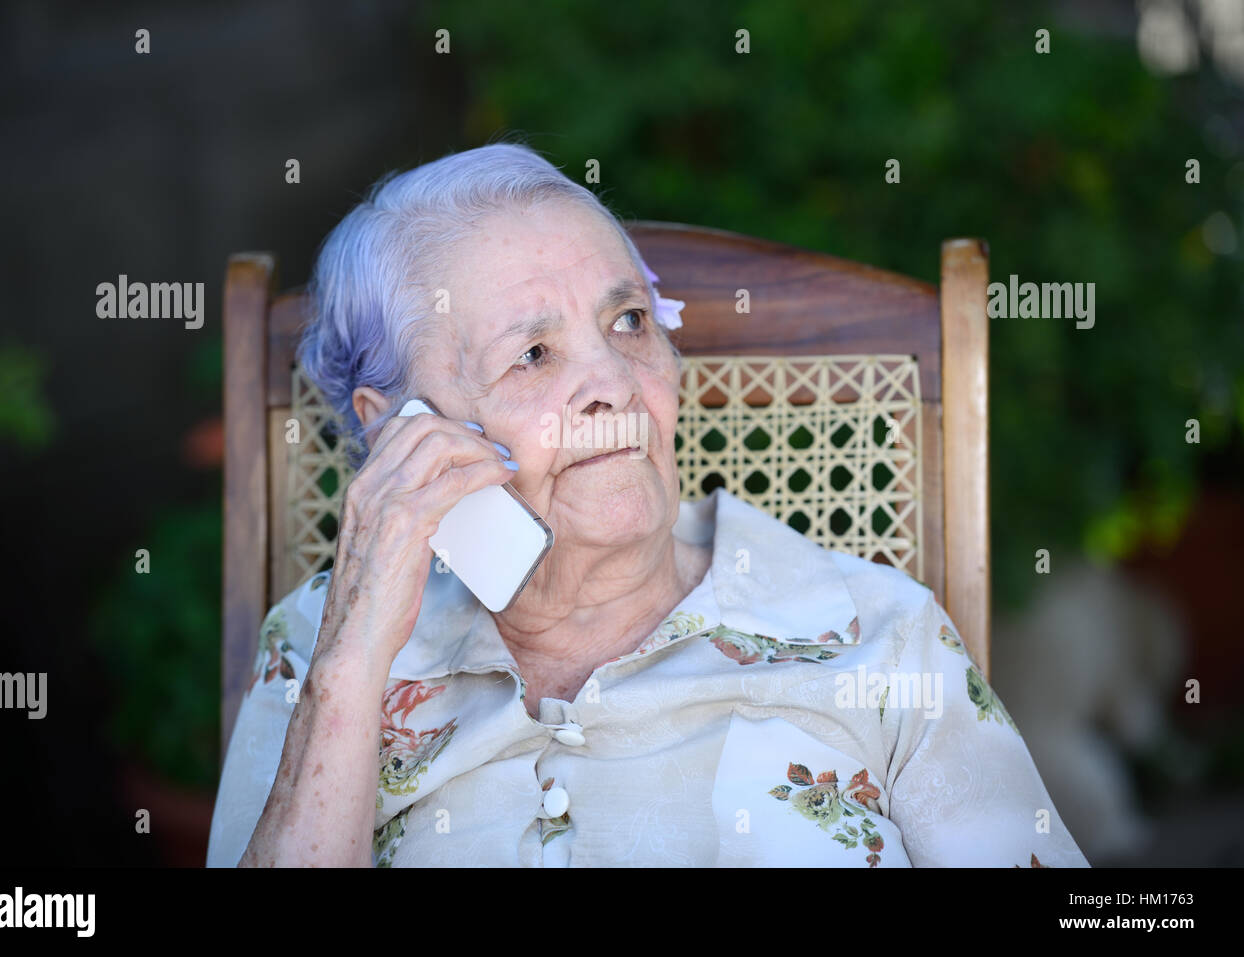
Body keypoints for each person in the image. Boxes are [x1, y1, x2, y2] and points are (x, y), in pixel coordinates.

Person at [206, 141, 1088, 868]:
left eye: (629, 321)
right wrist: (354, 666)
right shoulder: (323, 645)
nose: (613, 385)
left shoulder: (877, 634)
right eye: (535, 354)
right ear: (398, 432)